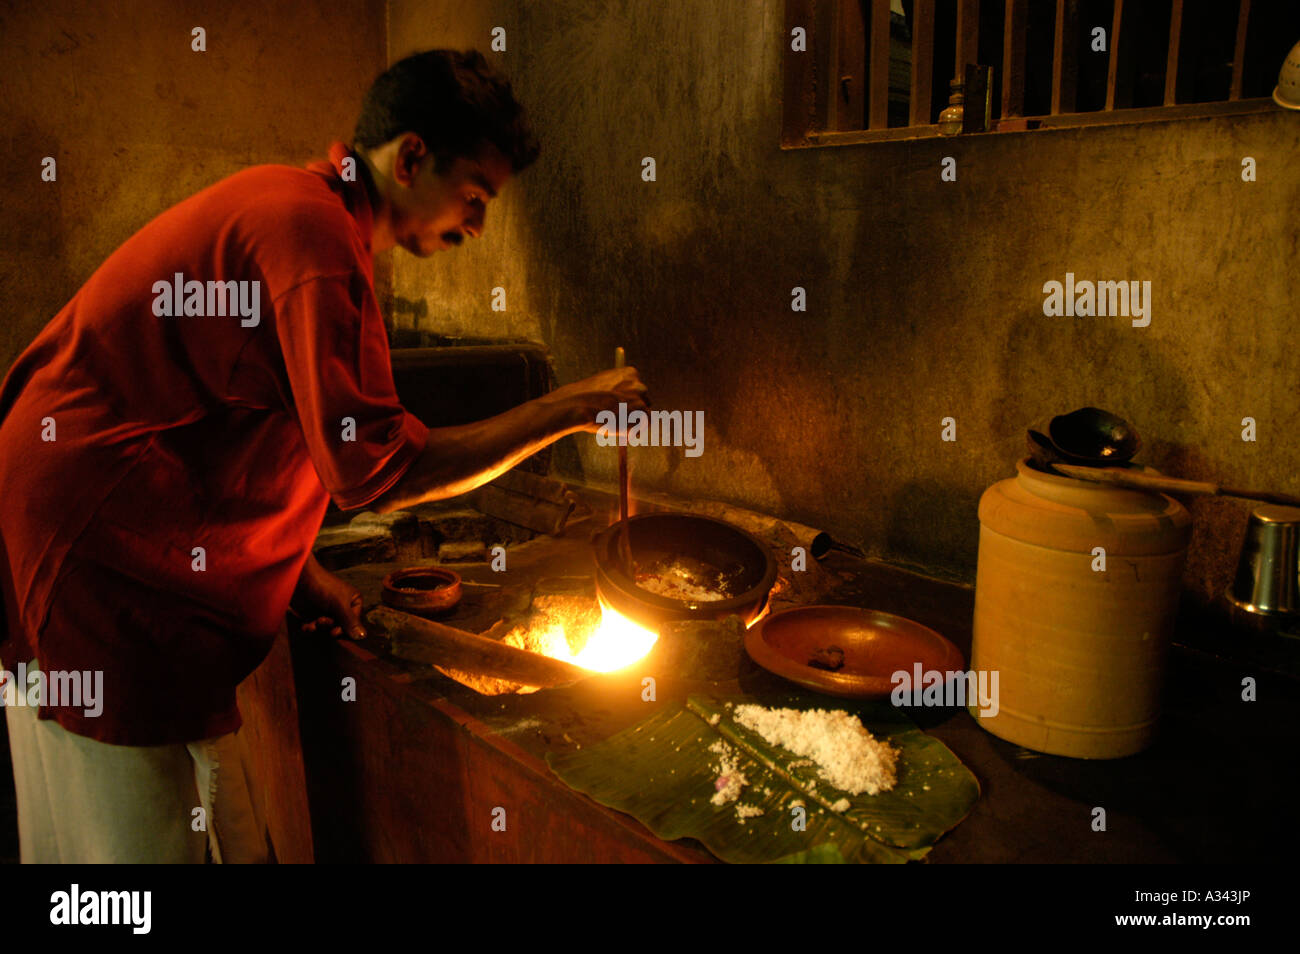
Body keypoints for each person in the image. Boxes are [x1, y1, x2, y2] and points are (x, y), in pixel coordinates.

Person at [0, 49, 647, 863]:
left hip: (73, 503)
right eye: (475, 196)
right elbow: (379, 471)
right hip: (96, 535)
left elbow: (246, 415)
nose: (477, 225)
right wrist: (569, 408)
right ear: (411, 157)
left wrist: (294, 571)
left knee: (121, 807)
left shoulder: (306, 214)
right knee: (129, 825)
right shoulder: (310, 233)